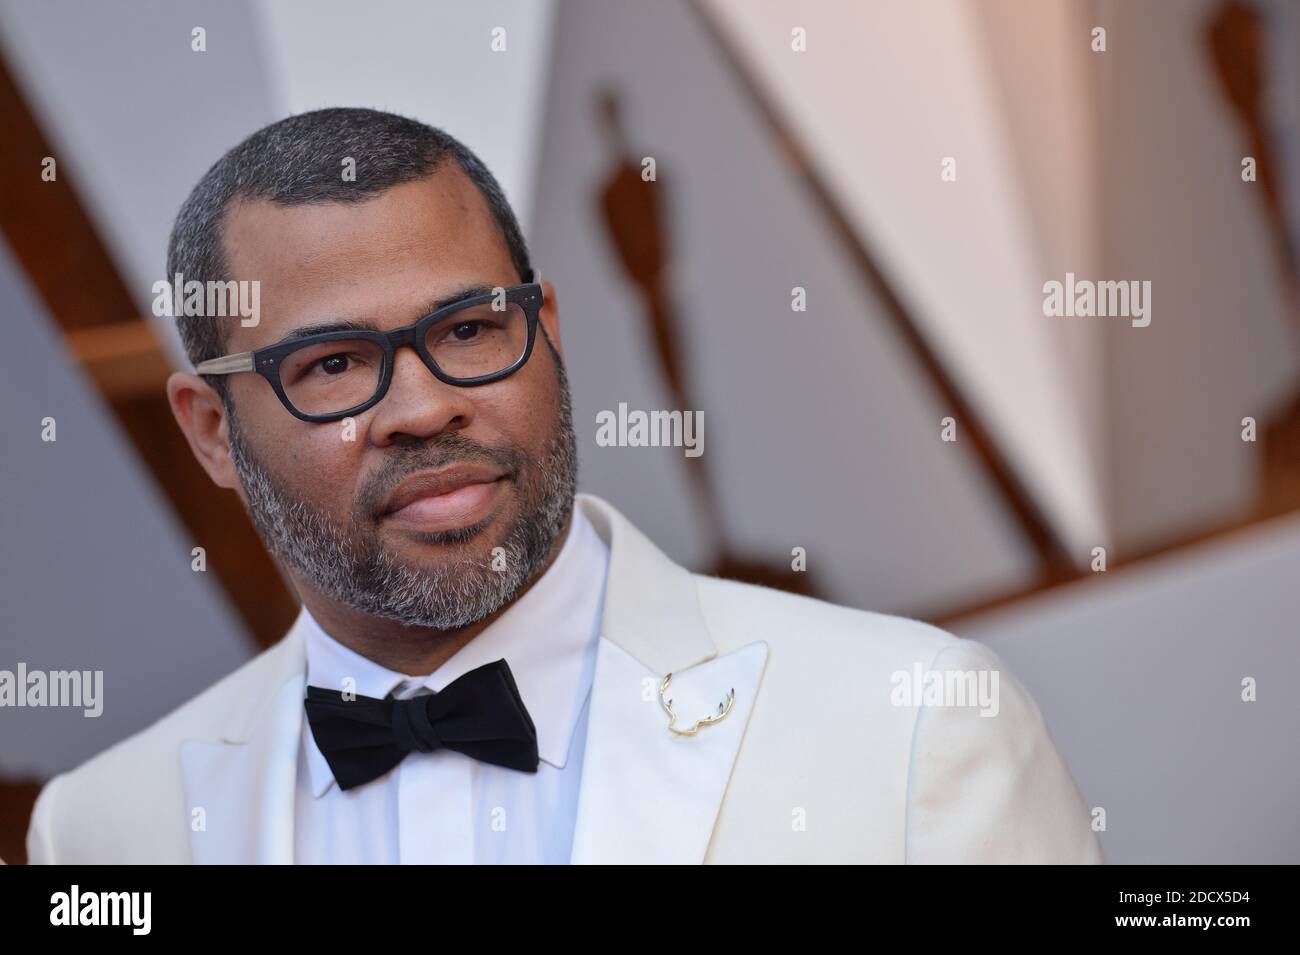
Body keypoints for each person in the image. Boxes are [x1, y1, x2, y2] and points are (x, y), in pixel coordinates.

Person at [26, 108, 1101, 864]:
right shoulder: (105, 830)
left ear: (545, 333)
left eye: (467, 328)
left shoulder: (914, 725)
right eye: (335, 364)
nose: (423, 405)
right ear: (212, 431)